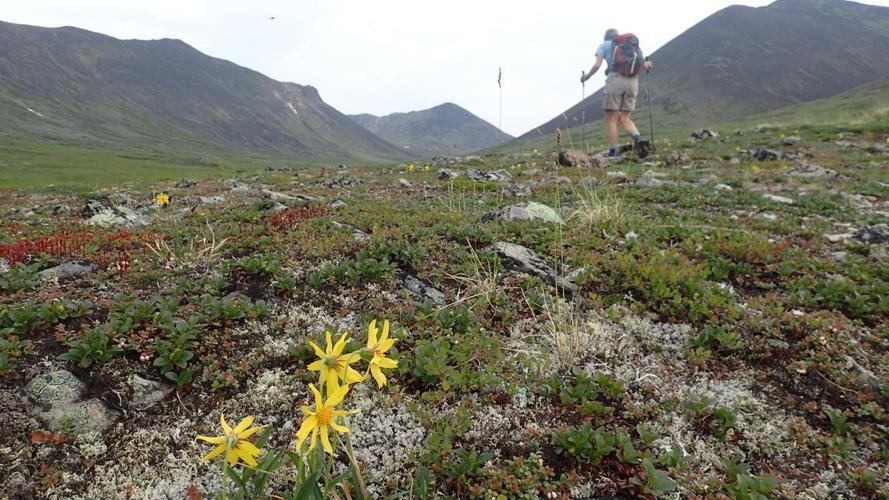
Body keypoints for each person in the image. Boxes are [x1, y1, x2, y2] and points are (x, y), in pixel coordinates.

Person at [581, 28, 653, 157]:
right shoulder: (630, 45)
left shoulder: (604, 45)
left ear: (606, 37)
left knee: (612, 120)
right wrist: (646, 64)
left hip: (615, 80)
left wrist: (587, 76)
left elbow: (597, 65)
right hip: (633, 82)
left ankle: (613, 153)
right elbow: (641, 62)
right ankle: (637, 139)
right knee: (625, 118)